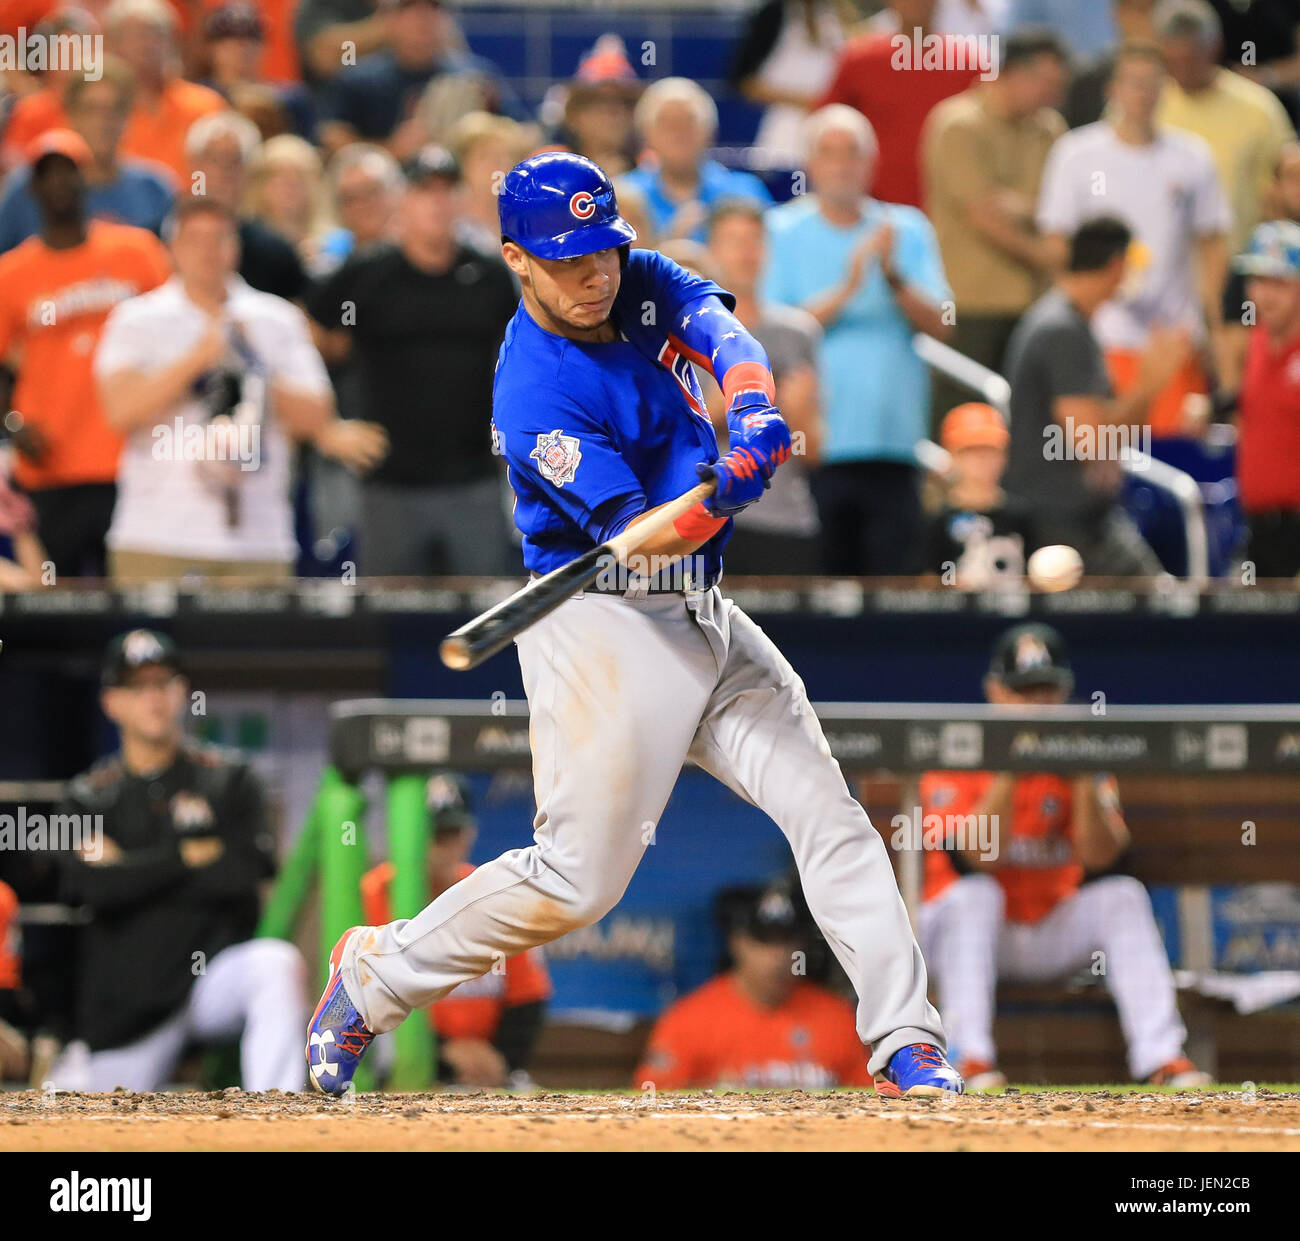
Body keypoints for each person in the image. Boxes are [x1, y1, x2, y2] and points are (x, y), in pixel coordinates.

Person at [306, 151, 964, 1101]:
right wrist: (723, 493)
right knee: (578, 882)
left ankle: (909, 1043)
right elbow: (640, 541)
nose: (594, 274)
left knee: (832, 815)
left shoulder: (637, 278)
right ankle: (371, 975)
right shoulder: (533, 394)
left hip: (703, 610)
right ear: (516, 260)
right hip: (605, 627)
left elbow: (721, 329)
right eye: (566, 260)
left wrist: (751, 403)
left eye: (602, 252)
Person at [916, 622, 1211, 1090]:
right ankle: (969, 1057)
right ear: (995, 692)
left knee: (1122, 895)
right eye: (1023, 691)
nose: (1036, 703)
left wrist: (1080, 774)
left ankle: (1162, 1058)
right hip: (956, 938)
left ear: (1065, 692)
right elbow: (975, 858)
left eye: (1046, 690)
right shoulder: (962, 749)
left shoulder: (1081, 755)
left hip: (1043, 932)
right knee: (977, 895)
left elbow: (1101, 860)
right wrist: (1014, 765)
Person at [48, 629, 309, 1093]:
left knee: (274, 964)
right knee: (74, 1120)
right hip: (130, 1010)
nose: (153, 697)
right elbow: (88, 889)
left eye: (163, 682)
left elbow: (247, 870)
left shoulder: (227, 779)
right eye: (136, 686)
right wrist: (187, 858)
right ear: (111, 702)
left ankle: (277, 1115)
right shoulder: (88, 796)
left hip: (209, 983)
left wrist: (128, 865)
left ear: (181, 691)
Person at [95, 197, 386, 583]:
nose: (208, 252)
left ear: (236, 247)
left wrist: (251, 362)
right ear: (172, 249)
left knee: (255, 645)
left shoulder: (277, 318)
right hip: (156, 536)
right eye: (194, 239)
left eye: (219, 239)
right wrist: (198, 357)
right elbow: (120, 411)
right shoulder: (137, 319)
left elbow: (317, 419)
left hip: (259, 541)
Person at [306, 144, 517, 575]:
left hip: (474, 480)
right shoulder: (366, 274)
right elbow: (301, 337)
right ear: (403, 199)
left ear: (461, 199)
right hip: (389, 485)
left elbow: (520, 361)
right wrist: (328, 424)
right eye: (424, 192)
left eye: (446, 191)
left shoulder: (491, 277)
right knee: (389, 623)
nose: (436, 204)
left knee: (484, 622)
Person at [763, 105, 952, 575]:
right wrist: (848, 288)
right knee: (822, 594)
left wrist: (893, 276)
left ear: (871, 162)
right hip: (813, 451)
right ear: (810, 163)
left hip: (896, 445)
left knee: (895, 595)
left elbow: (944, 322)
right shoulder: (780, 230)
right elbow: (772, 330)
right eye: (829, 153)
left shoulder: (906, 229)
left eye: (853, 153)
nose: (842, 164)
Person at [1036, 41, 1232, 438]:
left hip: (1173, 338)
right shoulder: (1076, 154)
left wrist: (1215, 333)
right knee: (1107, 448)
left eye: (1153, 83)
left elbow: (1212, 247)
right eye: (1134, 83)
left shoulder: (1192, 158)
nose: (1144, 94)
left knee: (1175, 452)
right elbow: (1056, 245)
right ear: (1113, 89)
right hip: (1103, 335)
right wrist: (1079, 314)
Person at [0, 129, 171, 578]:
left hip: (135, 457)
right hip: (52, 464)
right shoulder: (11, 273)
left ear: (87, 180)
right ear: (33, 187)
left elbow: (176, 328)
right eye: (47, 175)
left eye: (69, 172)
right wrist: (12, 423)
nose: (59, 184)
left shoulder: (136, 251)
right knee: (58, 609)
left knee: (135, 594)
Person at [1003, 216, 1178, 576]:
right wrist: (1148, 386)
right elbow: (1093, 443)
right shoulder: (1061, 330)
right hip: (1061, 523)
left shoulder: (1070, 324)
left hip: (1080, 518)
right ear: (1116, 266)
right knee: (1157, 611)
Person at [360, 775, 551, 1088]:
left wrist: (499, 1058)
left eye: (453, 832)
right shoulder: (375, 893)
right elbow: (368, 999)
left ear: (469, 832)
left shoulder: (493, 895)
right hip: (402, 1068)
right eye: (436, 834)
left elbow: (528, 998)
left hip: (487, 1069)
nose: (445, 846)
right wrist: (443, 1054)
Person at [921, 29, 1068, 412]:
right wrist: (1048, 256)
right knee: (963, 417)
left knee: (1027, 418)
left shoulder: (1050, 129)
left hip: (1033, 304)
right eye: (1044, 83)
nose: (1052, 95)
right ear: (1011, 74)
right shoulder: (957, 124)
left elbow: (1062, 205)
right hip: (970, 303)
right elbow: (983, 216)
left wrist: (1021, 206)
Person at [633, 885, 869, 1089]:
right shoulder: (688, 1019)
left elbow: (867, 1100)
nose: (777, 956)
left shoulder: (837, 1016)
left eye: (786, 941)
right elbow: (651, 1099)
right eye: (763, 941)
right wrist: (708, 1093)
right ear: (737, 943)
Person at [706, 198, 823, 574]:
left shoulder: (798, 332)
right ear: (713, 249)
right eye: (733, 240)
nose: (746, 252)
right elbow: (668, 438)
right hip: (707, 518)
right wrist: (743, 400)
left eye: (754, 241)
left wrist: (799, 413)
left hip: (785, 520)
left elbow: (814, 452)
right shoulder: (687, 330)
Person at [1155, 0, 1295, 250]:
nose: (1182, 71)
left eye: (1190, 59)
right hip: (1158, 258)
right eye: (1173, 61)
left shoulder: (1259, 108)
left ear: (1214, 48)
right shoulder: (1146, 103)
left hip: (1243, 258)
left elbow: (1286, 189)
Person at [0, 56, 174, 253]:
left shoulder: (154, 188)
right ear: (70, 115)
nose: (103, 121)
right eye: (91, 109)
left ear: (129, 116)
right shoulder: (32, 186)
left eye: (114, 109)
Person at [816, 0, 979, 209]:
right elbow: (824, 128)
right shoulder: (859, 60)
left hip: (949, 210)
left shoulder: (969, 64)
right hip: (871, 209)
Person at [317, 0, 511, 159]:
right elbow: (330, 140)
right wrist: (391, 150)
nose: (423, 19)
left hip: (459, 189)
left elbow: (522, 131)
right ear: (390, 20)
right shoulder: (359, 80)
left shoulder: (476, 76)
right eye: (410, 9)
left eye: (433, 8)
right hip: (386, 192)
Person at [619, 78, 772, 245]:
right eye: (666, 123)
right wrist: (668, 245)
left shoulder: (746, 192)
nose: (678, 134)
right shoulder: (625, 197)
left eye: (689, 122)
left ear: (711, 132)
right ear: (646, 135)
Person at [1230, 220, 1300, 579]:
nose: (1264, 295)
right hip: (1258, 530)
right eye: (1257, 281)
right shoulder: (1256, 342)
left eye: (1279, 283)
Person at [185, 110, 308, 301]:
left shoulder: (275, 253)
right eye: (213, 159)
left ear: (249, 172)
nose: (223, 172)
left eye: (235, 161)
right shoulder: (160, 238)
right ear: (193, 166)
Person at [104, 0, 228, 182]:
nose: (145, 44)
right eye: (135, 35)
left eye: (155, 34)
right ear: (113, 45)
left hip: (192, 205)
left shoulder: (205, 106)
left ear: (173, 42)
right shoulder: (101, 109)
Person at [923, 402, 1041, 588]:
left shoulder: (1021, 516)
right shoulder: (939, 521)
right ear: (953, 457)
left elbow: (1035, 579)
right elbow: (927, 581)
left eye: (991, 452)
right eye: (972, 452)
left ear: (1005, 456)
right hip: (957, 615)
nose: (983, 462)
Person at [729, 0, 849, 168]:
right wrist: (808, 101)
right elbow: (742, 81)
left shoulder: (842, 15)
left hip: (833, 133)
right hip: (783, 135)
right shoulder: (773, 14)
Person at [198, 1, 316, 141]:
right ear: (211, 47)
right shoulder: (199, 97)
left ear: (265, 46)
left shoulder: (292, 98)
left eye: (251, 36)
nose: (242, 47)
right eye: (230, 37)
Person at [1062, 0, 1158, 130]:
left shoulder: (1181, 72)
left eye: (1150, 10)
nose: (1142, 20)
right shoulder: (1089, 80)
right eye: (1136, 10)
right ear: (1117, 13)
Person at [244, 133, 335, 264]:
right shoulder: (245, 245)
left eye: (299, 176)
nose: (289, 184)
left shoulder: (334, 245)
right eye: (277, 176)